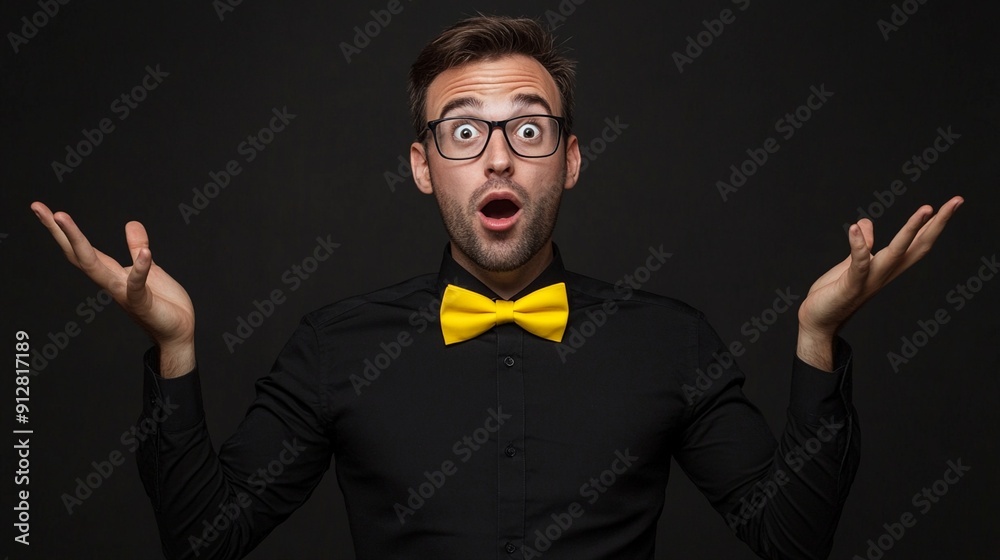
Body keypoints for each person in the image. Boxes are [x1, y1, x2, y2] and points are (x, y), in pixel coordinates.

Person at [32, 15, 962, 560]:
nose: (497, 154)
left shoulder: (667, 340)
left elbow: (791, 541)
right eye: (463, 131)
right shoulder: (336, 344)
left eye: (528, 127)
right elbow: (204, 538)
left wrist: (814, 336)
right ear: (423, 167)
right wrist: (176, 348)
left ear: (572, 158)